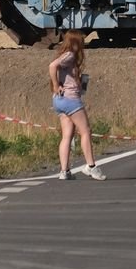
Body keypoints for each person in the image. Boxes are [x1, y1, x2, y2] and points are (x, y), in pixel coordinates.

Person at [48, 31, 105, 180]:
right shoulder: (70, 55)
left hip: (59, 100)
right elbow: (52, 66)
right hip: (70, 98)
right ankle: (91, 166)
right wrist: (55, 85)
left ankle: (64, 170)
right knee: (85, 131)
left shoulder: (64, 55)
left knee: (67, 135)